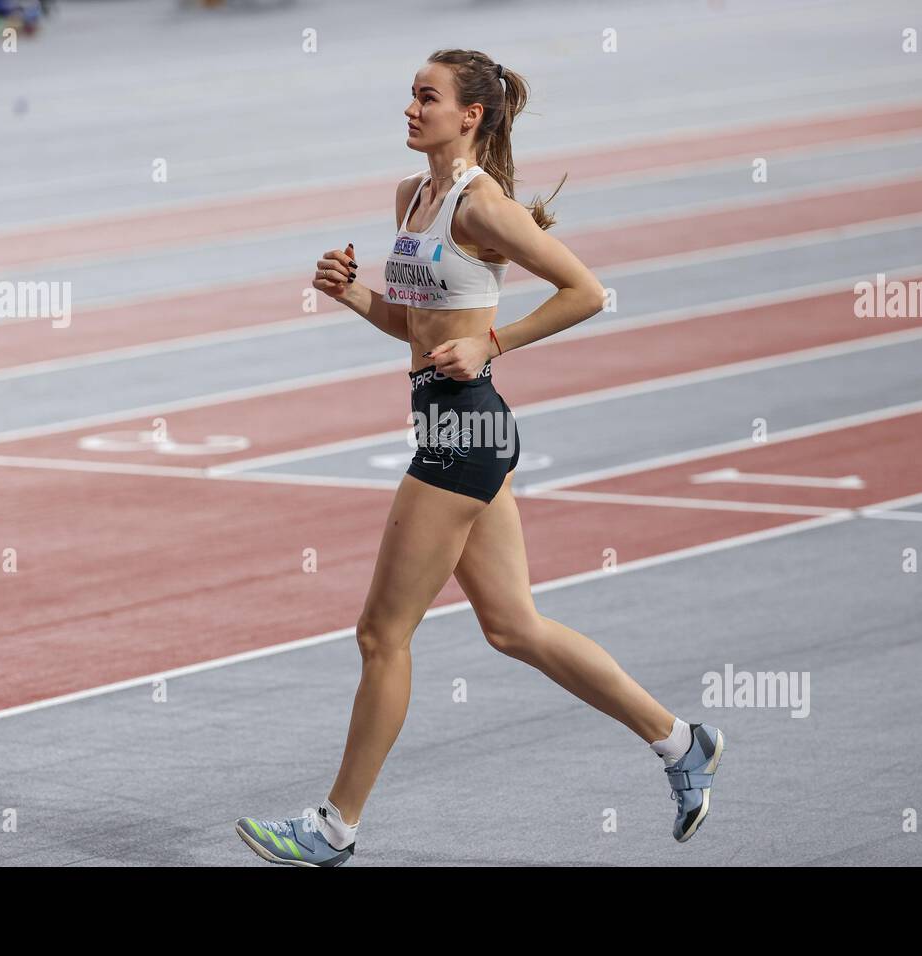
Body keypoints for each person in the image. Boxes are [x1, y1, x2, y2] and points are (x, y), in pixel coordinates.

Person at [235, 49, 723, 867]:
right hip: (451, 427)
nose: (410, 108)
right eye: (410, 95)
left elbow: (586, 292)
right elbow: (414, 326)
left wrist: (494, 341)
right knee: (514, 626)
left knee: (380, 636)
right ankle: (681, 744)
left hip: (466, 433)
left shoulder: (484, 207)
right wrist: (352, 294)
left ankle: (334, 829)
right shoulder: (413, 196)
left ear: (471, 116)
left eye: (426, 97)